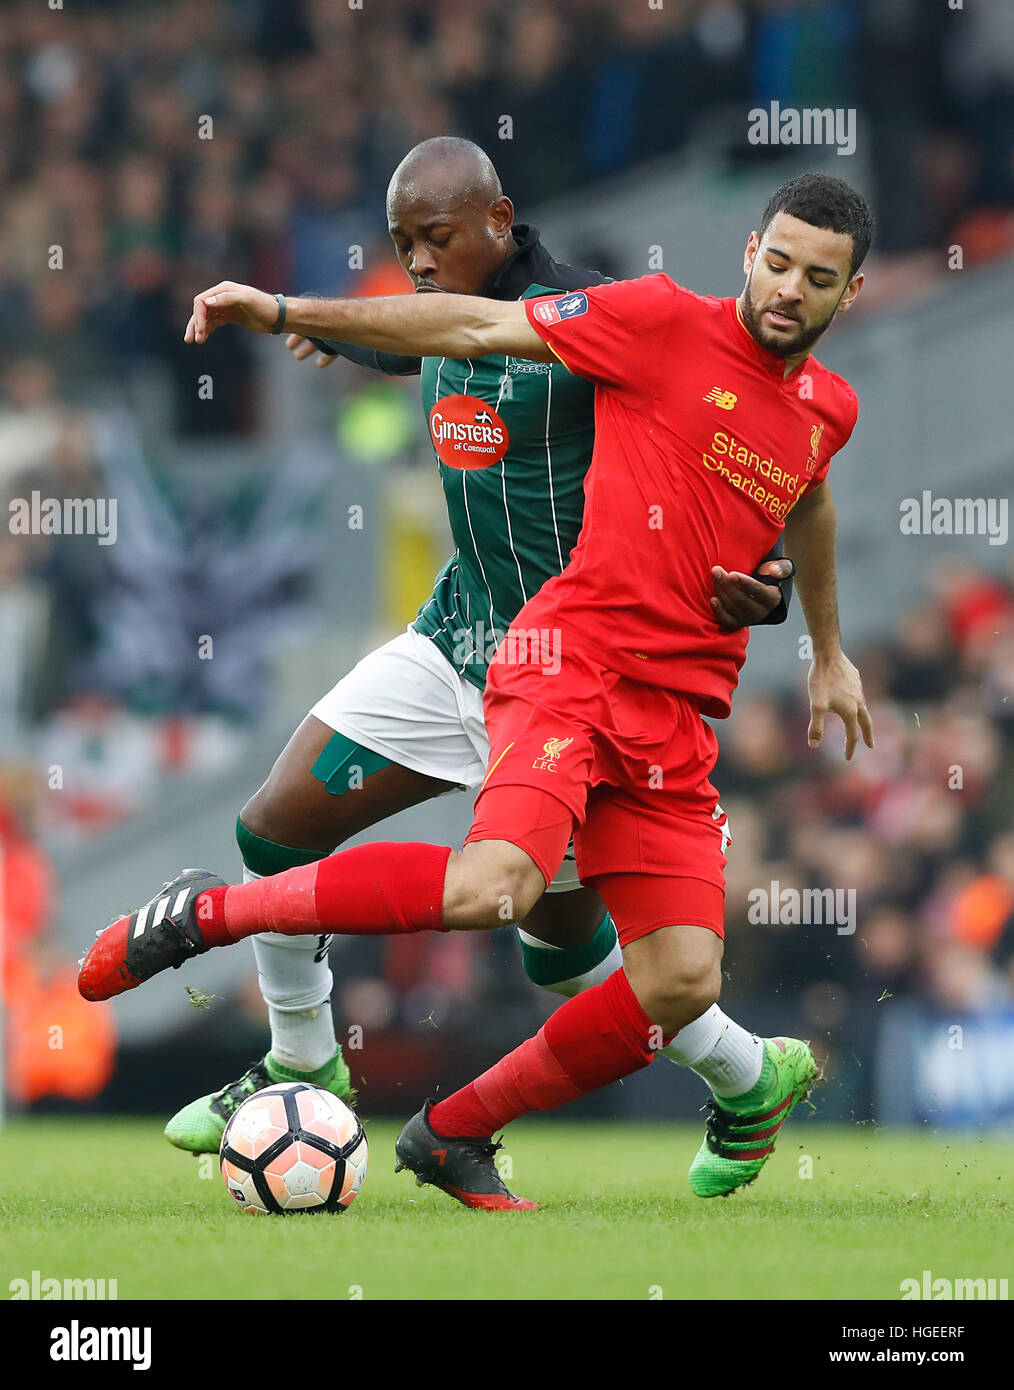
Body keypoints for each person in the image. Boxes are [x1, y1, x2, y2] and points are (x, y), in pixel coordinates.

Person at [81, 169, 875, 1211]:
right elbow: (451, 325)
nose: (788, 290)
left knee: (627, 967)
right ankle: (258, 993)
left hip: (669, 711)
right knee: (377, 853)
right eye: (776, 263)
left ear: (849, 293)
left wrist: (821, 640)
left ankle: (502, 1122)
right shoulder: (652, 320)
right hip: (542, 658)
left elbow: (803, 493)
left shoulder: (825, 404)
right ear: (746, 252)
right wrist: (289, 311)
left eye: (817, 277)